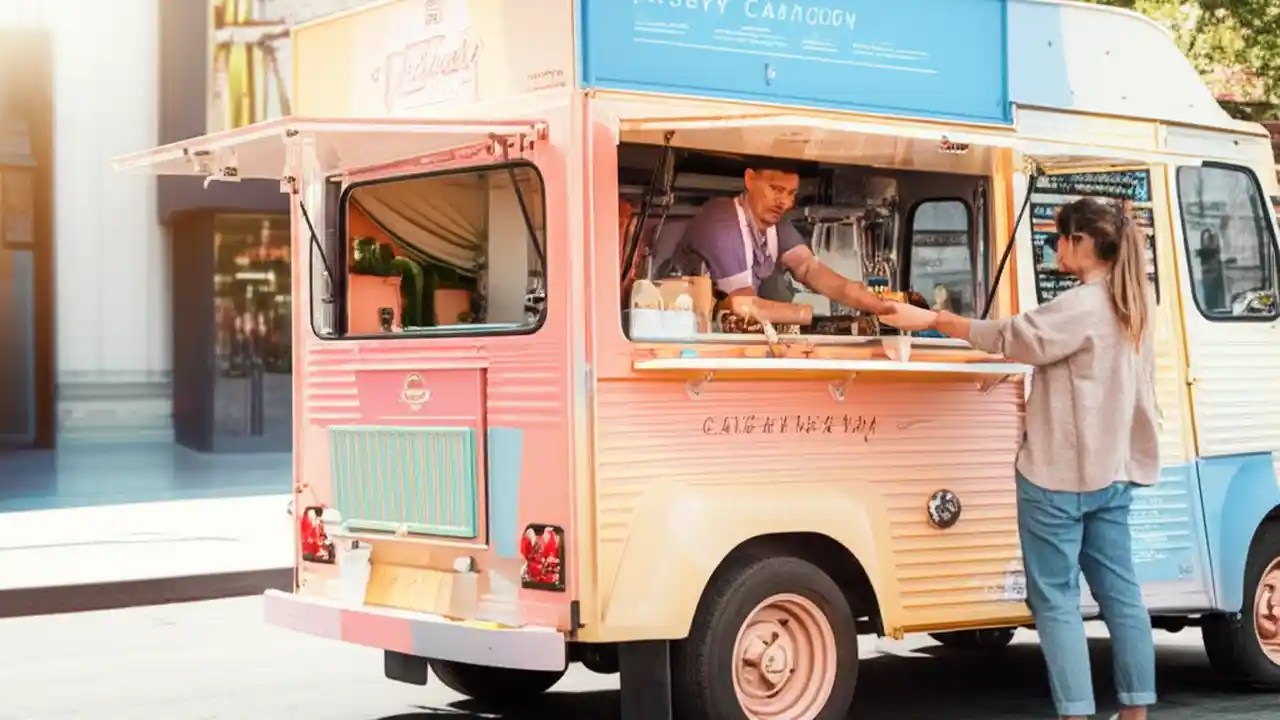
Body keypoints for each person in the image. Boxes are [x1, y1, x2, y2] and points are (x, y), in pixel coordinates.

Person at [878, 198, 1158, 720]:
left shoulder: (1082, 305)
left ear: (1081, 243)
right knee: (1121, 596)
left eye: (1058, 237)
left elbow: (1010, 338)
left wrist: (935, 318)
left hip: (1059, 477)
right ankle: (1136, 711)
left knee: (1054, 601)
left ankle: (1076, 712)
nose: (1054, 247)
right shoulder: (1134, 304)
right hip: (1114, 473)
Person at [663, 161, 890, 315]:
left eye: (791, 194)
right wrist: (803, 314)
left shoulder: (774, 223)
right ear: (750, 180)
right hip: (686, 333)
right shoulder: (721, 220)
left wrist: (869, 301)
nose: (784, 203)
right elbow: (743, 304)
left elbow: (809, 268)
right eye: (776, 189)